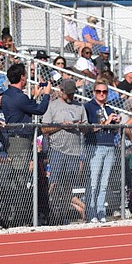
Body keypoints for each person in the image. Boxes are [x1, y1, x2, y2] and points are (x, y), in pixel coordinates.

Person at [1, 63, 52, 225]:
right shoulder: (19, 96)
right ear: (22, 77)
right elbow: (39, 110)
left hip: (15, 140)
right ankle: (18, 217)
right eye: (25, 75)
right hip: (20, 142)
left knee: (21, 178)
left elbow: (23, 110)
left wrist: (33, 97)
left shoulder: (8, 95)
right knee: (21, 180)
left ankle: (20, 215)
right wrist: (47, 95)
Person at [42, 79, 87, 225]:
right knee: (53, 183)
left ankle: (62, 214)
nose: (70, 96)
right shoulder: (53, 106)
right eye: (68, 94)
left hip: (74, 151)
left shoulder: (80, 107)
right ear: (61, 91)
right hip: (57, 150)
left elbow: (86, 127)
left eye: (72, 94)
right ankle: (49, 212)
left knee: (69, 186)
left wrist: (79, 126)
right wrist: (61, 125)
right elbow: (44, 129)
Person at [84, 78, 122, 222]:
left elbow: (113, 130)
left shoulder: (109, 108)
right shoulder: (88, 107)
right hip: (95, 146)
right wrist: (105, 122)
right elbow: (88, 128)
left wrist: (115, 122)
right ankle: (91, 211)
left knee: (104, 183)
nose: (102, 94)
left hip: (109, 145)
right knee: (93, 181)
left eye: (104, 92)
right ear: (94, 92)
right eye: (99, 91)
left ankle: (101, 211)